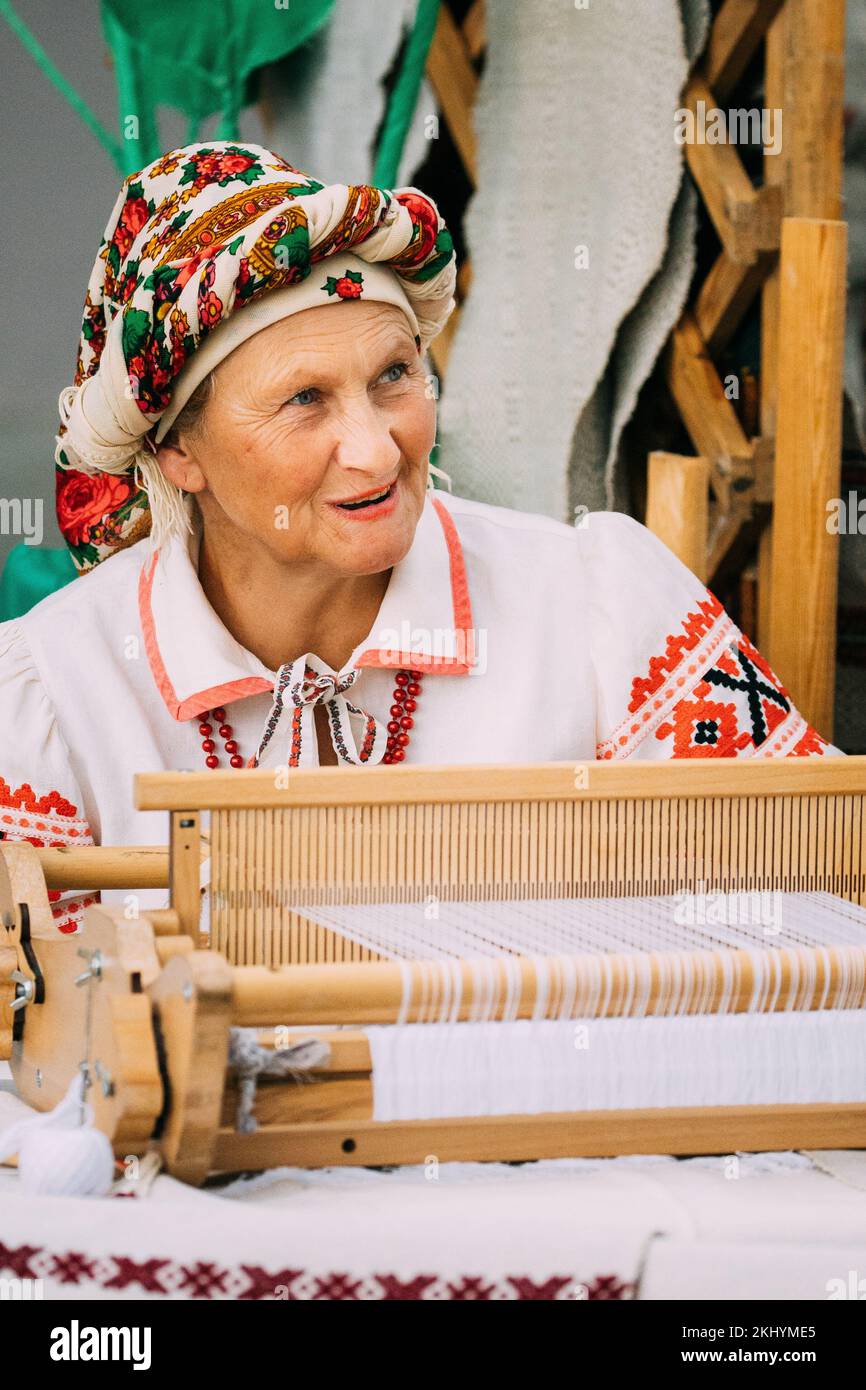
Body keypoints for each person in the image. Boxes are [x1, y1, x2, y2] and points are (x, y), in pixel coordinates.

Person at [0, 141, 838, 933]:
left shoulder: (595, 614)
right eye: (304, 401)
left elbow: (812, 892)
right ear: (178, 449)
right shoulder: (59, 698)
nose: (375, 451)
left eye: (394, 376)